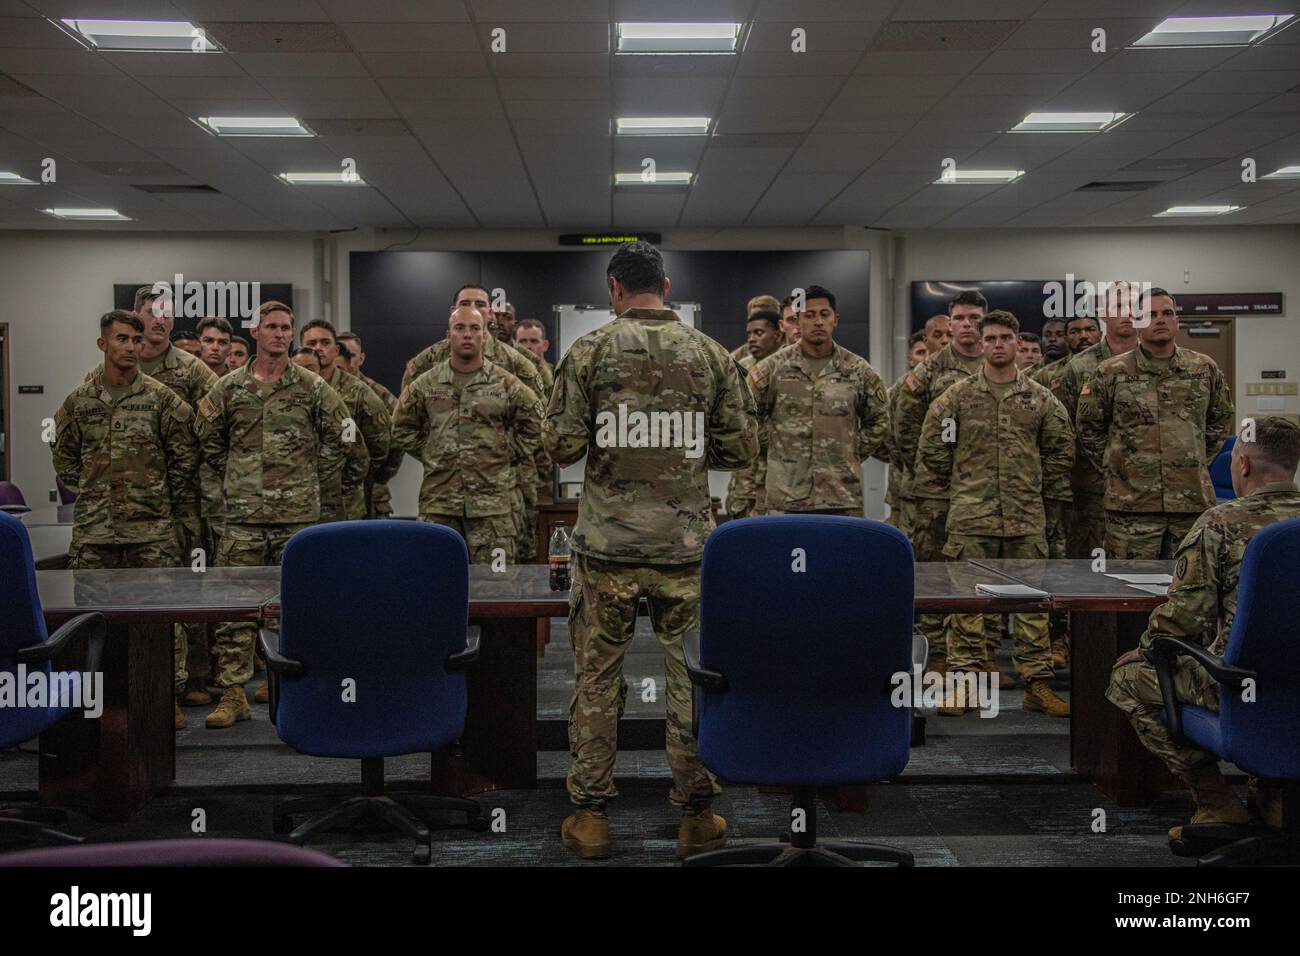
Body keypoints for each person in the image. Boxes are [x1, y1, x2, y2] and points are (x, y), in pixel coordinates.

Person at [543, 241, 758, 861]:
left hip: (607, 549)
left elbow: (559, 446)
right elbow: (741, 451)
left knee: (596, 682)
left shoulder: (588, 351)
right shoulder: (713, 355)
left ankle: (589, 818)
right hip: (686, 549)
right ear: (664, 285)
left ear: (614, 288)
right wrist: (683, 453)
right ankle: (696, 816)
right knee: (690, 682)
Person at [1107, 417, 1300, 841]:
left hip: (1239, 684)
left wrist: (1148, 648)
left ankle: (1217, 803)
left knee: (1128, 679)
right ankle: (1275, 797)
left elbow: (1185, 615)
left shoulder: (1221, 523)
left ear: (1243, 466)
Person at [193, 301, 362, 728]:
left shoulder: (313, 387)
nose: (280, 335)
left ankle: (291, 682)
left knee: (298, 605)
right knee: (235, 608)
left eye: (287, 328)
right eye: (272, 327)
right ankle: (234, 692)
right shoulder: (227, 388)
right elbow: (206, 443)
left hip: (297, 518)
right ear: (255, 332)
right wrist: (232, 483)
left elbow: (344, 437)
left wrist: (310, 480)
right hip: (242, 518)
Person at [916, 311, 1074, 717]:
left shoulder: (1041, 399)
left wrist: (1044, 502)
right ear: (981, 344)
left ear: (1018, 344)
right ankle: (966, 686)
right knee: (966, 608)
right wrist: (955, 496)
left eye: (1006, 337)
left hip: (1025, 518)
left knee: (1031, 608)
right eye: (991, 338)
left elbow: (1060, 452)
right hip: (971, 518)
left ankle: (1037, 686)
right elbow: (932, 452)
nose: (998, 345)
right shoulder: (956, 397)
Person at [52, 311, 200, 731]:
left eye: (137, 339)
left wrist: (151, 495)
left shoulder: (161, 399)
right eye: (122, 339)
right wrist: (96, 490)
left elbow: (185, 457)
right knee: (88, 621)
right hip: (95, 533)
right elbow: (63, 460)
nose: (132, 347)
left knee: (161, 620)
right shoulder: (79, 402)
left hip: (150, 531)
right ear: (103, 345)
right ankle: (91, 702)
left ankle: (165, 697)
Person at [104, 287, 218, 721]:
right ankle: (146, 685)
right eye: (153, 313)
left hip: (184, 502)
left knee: (190, 588)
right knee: (135, 595)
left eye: (168, 314)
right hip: (127, 507)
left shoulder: (192, 372)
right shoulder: (114, 369)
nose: (160, 321)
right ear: (137, 316)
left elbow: (215, 426)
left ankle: (195, 679)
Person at [1076, 289, 1235, 559]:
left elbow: (1220, 419)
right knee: (1128, 587)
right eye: (1150, 314)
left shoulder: (1203, 368)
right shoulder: (1110, 372)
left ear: (1177, 321)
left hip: (1190, 502)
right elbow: (1089, 428)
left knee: (1190, 585)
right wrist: (1118, 466)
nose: (1159, 320)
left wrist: (1194, 458)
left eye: (1167, 313)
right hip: (1131, 506)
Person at [390, 306, 542, 563]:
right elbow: (401, 427)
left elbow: (537, 425)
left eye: (475, 328)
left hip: (491, 508)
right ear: (448, 335)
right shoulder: (426, 383)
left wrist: (506, 454)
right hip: (439, 504)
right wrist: (431, 451)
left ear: (485, 335)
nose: (467, 335)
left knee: (496, 587)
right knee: (434, 583)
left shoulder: (506, 383)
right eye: (460, 328)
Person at [893, 289, 987, 672]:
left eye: (976, 319)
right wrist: (925, 472)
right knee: (931, 572)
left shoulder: (996, 366)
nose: (968, 325)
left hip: (981, 492)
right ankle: (934, 654)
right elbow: (904, 427)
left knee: (974, 574)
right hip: (934, 493)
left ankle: (979, 657)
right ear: (951, 322)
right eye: (961, 318)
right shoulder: (929, 371)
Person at [750, 285, 888, 518]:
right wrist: (774, 446)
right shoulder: (771, 369)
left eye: (825, 314)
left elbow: (880, 419)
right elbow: (747, 415)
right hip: (787, 495)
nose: (818, 322)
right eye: (809, 316)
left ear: (836, 319)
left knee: (841, 554)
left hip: (842, 494)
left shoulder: (857, 370)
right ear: (797, 321)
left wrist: (851, 451)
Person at [1056, 282, 1141, 560]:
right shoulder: (1079, 368)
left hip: (1152, 492)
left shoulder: (1161, 363)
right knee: (1087, 573)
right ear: (1103, 314)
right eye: (1118, 307)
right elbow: (1063, 431)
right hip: (1094, 493)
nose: (1127, 314)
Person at [300, 320, 392, 521]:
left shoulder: (358, 392)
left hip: (344, 505)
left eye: (325, 343)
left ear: (336, 349)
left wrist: (351, 479)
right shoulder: (291, 389)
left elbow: (380, 444)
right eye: (311, 343)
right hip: (300, 503)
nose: (318, 348)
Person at [724, 308, 785, 520]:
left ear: (778, 334)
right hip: (745, 475)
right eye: (749, 334)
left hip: (779, 476)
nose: (751, 339)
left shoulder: (788, 368)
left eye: (759, 333)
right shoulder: (741, 368)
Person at [730, 294, 781, 360]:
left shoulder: (791, 351)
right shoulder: (738, 357)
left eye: (760, 316)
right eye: (752, 317)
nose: (754, 322)